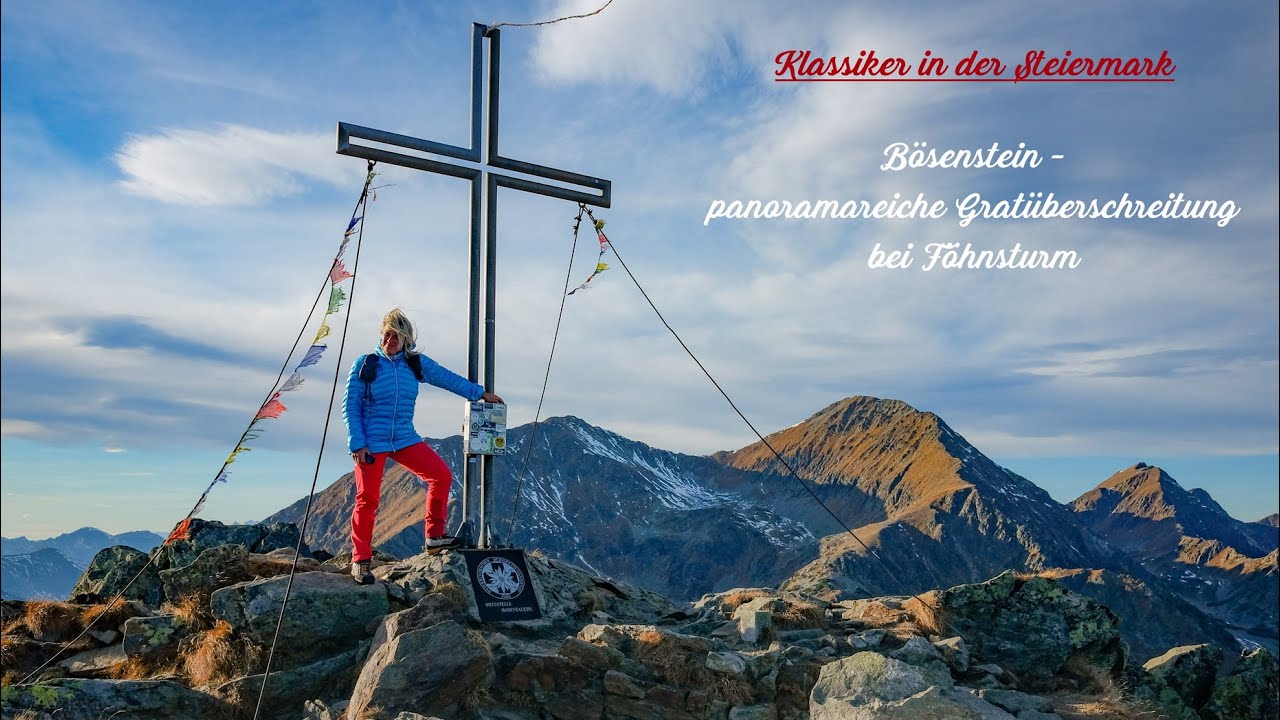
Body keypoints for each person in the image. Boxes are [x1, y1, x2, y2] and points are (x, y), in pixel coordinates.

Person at [343, 308, 502, 585]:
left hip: (404, 437)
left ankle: (434, 537)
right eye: (386, 334)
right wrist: (358, 443)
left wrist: (480, 394)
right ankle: (361, 561)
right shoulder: (366, 364)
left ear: (406, 339)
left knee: (440, 476)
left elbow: (446, 378)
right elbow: (351, 406)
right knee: (367, 500)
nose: (390, 340)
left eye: (396, 336)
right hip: (372, 441)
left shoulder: (414, 363)